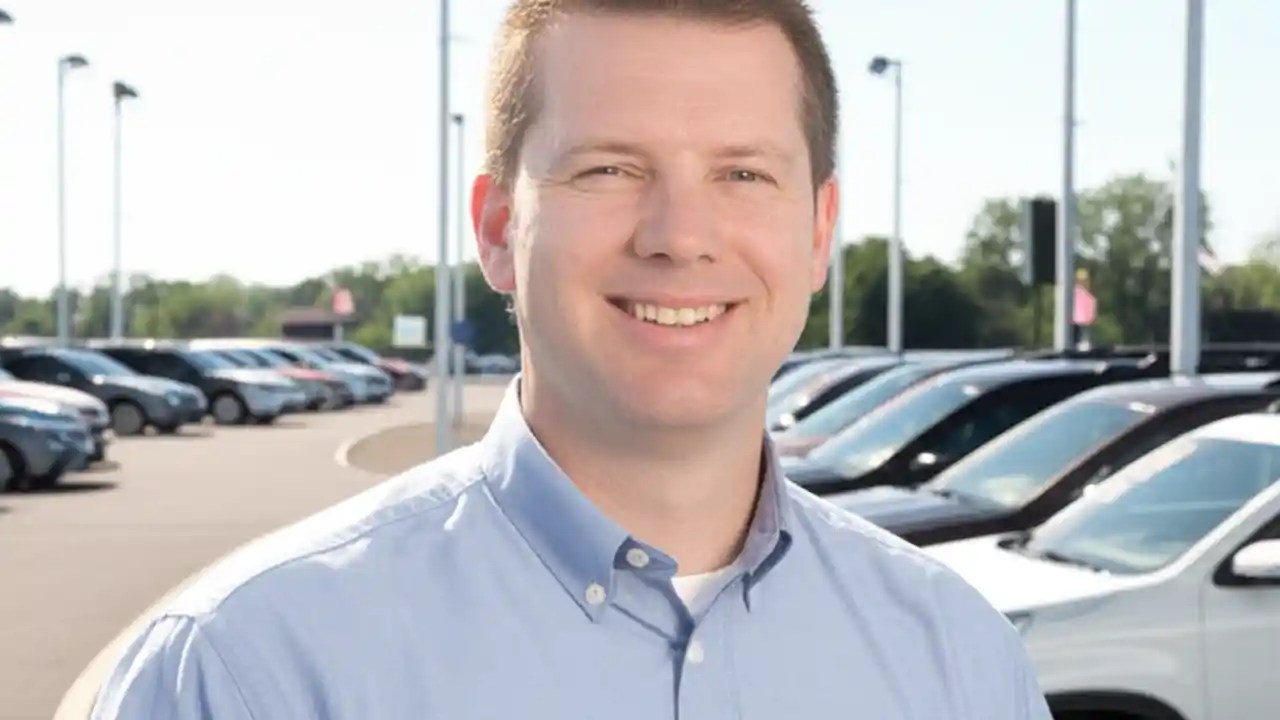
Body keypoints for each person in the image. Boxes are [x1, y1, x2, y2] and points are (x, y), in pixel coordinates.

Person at [90, 1, 1053, 718]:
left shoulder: (961, 660)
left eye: (743, 174)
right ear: (501, 228)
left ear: (819, 233)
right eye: (610, 169)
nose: (682, 237)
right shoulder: (248, 670)